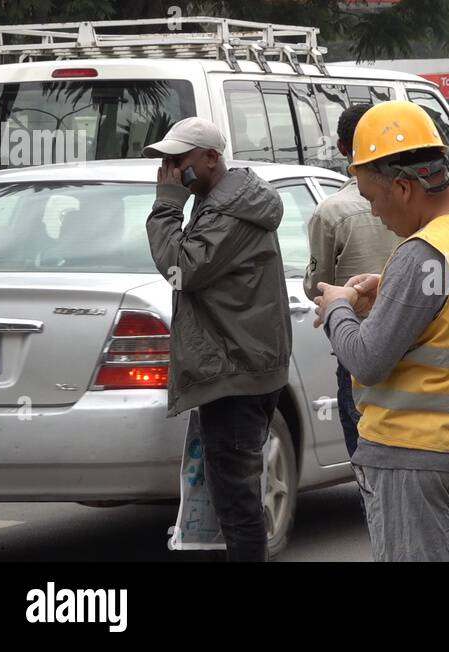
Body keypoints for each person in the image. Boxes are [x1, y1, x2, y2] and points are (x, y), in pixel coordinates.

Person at [313, 101, 449, 562]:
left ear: (405, 187)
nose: (375, 213)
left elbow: (368, 360)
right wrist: (389, 288)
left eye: (373, 198)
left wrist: (336, 309)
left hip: (411, 457)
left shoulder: (422, 252)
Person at [145, 117, 292, 562]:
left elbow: (181, 270)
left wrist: (166, 207)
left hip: (235, 371)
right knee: (235, 498)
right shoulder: (221, 202)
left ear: (211, 158)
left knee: (238, 503)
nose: (171, 172)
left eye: (179, 161)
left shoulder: (228, 211)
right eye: (166, 162)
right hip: (240, 366)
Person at [305, 104, 402, 459]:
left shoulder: (331, 211)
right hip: (416, 352)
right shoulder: (423, 202)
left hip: (358, 351)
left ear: (342, 148)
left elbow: (318, 286)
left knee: (367, 463)